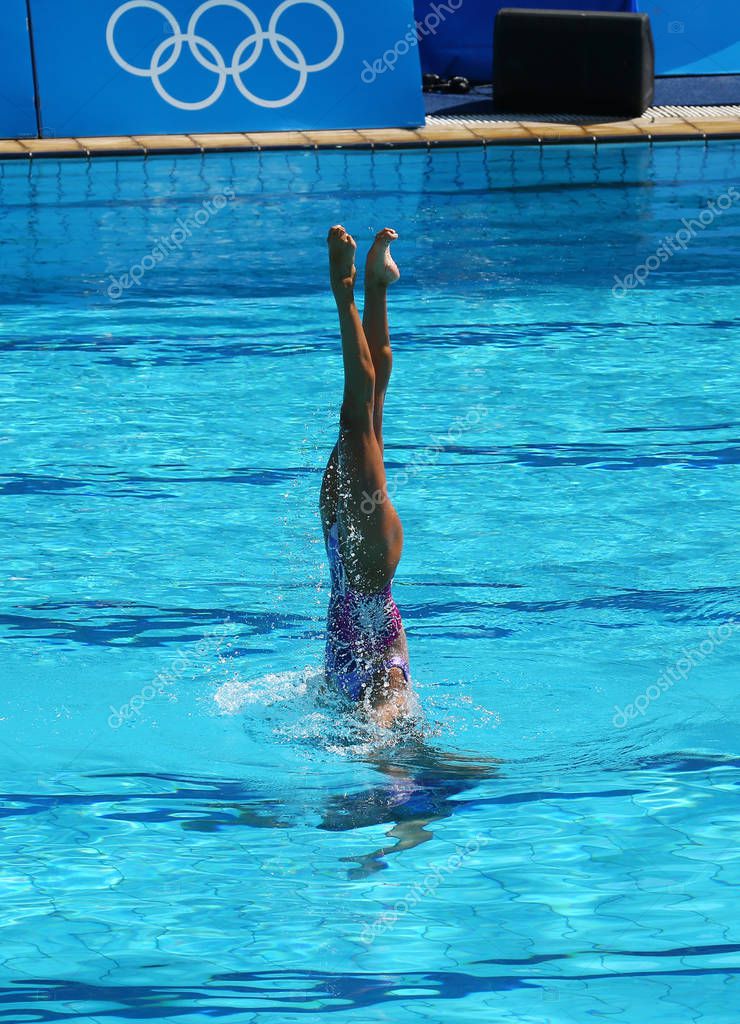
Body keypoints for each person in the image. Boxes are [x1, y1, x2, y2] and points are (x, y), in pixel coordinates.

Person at [320, 225, 411, 728]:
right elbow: (388, 728)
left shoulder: (353, 692)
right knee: (359, 416)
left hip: (338, 548)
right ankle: (347, 287)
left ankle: (375, 285)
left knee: (369, 412)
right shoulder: (389, 688)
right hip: (370, 560)